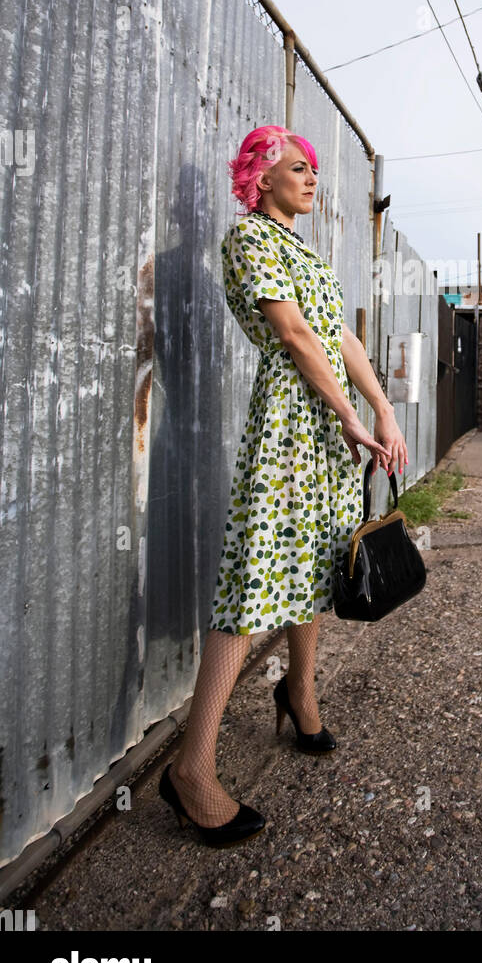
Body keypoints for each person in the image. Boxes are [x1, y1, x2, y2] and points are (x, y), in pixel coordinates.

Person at [159, 125, 407, 846]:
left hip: (329, 427)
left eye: (314, 170)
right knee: (252, 581)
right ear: (260, 177)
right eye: (297, 168)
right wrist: (348, 417)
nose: (311, 180)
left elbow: (342, 340)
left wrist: (382, 409)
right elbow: (296, 338)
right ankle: (191, 772)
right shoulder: (249, 241)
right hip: (289, 428)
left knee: (321, 566)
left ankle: (299, 693)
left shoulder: (305, 251)